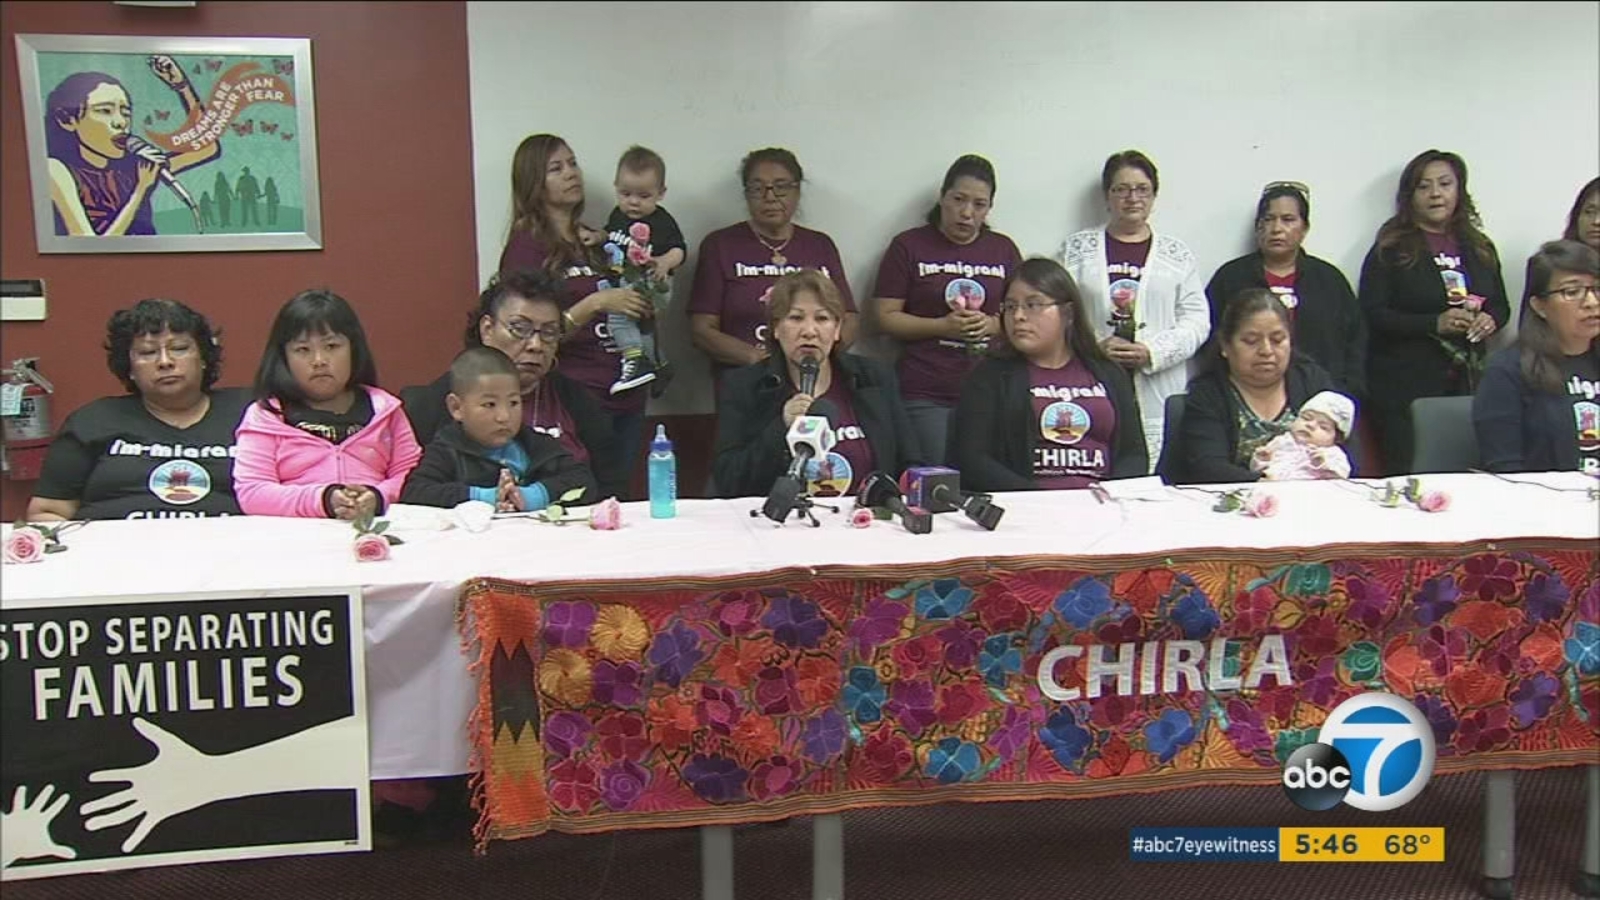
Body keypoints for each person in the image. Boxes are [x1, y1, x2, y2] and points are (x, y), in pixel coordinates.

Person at [498, 134, 652, 476]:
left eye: (572, 163)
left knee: (619, 493)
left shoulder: (594, 239)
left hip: (626, 387)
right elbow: (523, 334)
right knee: (580, 489)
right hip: (577, 392)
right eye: (556, 168)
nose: (571, 173)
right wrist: (594, 303)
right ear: (534, 183)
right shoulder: (527, 246)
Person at [401, 269, 628, 500]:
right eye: (520, 328)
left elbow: (608, 488)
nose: (536, 345)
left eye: (549, 332)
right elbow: (414, 492)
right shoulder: (429, 406)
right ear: (487, 329)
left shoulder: (577, 401)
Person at [26, 299, 249, 521]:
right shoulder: (92, 421)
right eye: (147, 352)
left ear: (203, 358)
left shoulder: (252, 413)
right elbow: (47, 511)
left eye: (179, 349)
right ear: (129, 368)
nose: (165, 362)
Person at [1359, 149, 1509, 476]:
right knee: (1410, 474)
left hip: (1467, 381)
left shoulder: (1479, 246)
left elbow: (1501, 305)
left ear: (1459, 190)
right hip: (1405, 385)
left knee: (1467, 472)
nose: (1436, 194)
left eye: (1445, 184)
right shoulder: (1391, 247)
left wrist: (1491, 320)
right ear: (1409, 196)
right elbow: (1373, 313)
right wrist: (1434, 323)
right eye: (1424, 186)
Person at [1058, 149, 1209, 470]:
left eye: (1142, 189)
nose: (1132, 198)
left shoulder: (1176, 254)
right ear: (1107, 196)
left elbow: (1197, 320)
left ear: (1154, 196)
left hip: (1158, 385)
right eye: (1121, 189)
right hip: (1091, 376)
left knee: (1153, 475)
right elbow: (1057, 311)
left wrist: (1151, 351)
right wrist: (1093, 348)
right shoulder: (1076, 249)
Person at [711, 270, 919, 499]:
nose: (809, 331)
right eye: (796, 318)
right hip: (784, 517)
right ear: (776, 328)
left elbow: (911, 463)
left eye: (822, 319)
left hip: (866, 515)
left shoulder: (874, 378)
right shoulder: (744, 385)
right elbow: (728, 480)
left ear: (837, 329)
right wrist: (781, 427)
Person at [873, 154, 1021, 465]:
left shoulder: (1003, 249)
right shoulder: (909, 245)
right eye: (958, 199)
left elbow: (1022, 314)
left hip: (990, 389)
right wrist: (942, 326)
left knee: (986, 477)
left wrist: (993, 325)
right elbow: (884, 317)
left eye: (979, 204)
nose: (966, 213)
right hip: (925, 390)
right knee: (937, 479)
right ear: (942, 197)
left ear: (989, 208)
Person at [950, 258, 1147, 491]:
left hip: (1103, 503)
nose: (1018, 316)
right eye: (1010, 307)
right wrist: (1041, 499)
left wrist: (1111, 495)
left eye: (1033, 305)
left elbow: (1134, 454)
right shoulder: (990, 375)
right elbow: (973, 461)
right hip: (1025, 503)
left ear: (1068, 313)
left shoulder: (1108, 372)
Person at [233, 289, 421, 518]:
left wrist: (379, 497)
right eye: (303, 350)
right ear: (284, 358)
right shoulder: (265, 415)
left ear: (353, 349)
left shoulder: (386, 410)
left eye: (331, 346)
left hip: (375, 528)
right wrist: (323, 500)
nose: (319, 361)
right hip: (293, 533)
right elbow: (252, 493)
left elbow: (413, 477)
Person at [691, 148, 859, 384]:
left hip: (814, 376)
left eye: (781, 187)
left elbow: (849, 317)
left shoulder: (820, 245)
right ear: (746, 194)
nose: (770, 197)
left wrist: (818, 357)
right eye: (758, 188)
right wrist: (759, 360)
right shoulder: (720, 245)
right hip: (747, 380)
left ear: (797, 191)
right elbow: (702, 330)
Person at [1204, 182, 1366, 398]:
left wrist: (1345, 393)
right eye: (1268, 219)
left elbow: (1355, 341)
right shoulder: (1231, 277)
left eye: (1288, 219)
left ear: (1304, 228)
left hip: (1320, 397)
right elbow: (1210, 338)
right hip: (1244, 397)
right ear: (1258, 227)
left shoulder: (1329, 280)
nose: (1277, 228)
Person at [1178, 289, 1345, 484]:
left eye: (1277, 340)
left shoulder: (1312, 380)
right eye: (1251, 341)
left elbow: (1347, 447)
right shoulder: (1208, 394)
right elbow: (1208, 468)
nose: (1266, 351)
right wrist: (1268, 484)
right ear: (1225, 346)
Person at [400, 347, 597, 509]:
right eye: (490, 405)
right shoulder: (445, 450)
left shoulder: (533, 444)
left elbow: (583, 481)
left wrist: (532, 496)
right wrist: (482, 497)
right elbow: (416, 493)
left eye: (513, 403)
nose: (504, 416)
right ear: (456, 408)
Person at [44, 57, 219, 236]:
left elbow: (206, 147)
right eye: (105, 111)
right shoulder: (56, 170)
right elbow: (92, 245)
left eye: (126, 113)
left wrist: (182, 86)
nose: (121, 123)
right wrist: (141, 190)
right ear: (68, 120)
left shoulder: (136, 167)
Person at [1475, 240, 1600, 475]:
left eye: (1597, 289)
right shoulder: (1507, 371)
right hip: (1546, 495)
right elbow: (1505, 468)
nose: (1592, 302)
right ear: (1539, 306)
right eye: (1572, 292)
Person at [596, 145, 688, 396]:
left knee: (619, 317)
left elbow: (680, 249)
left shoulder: (661, 221)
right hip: (625, 278)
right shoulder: (618, 214)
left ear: (661, 193)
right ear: (616, 187)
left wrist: (665, 262)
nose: (633, 202)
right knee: (640, 327)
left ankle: (635, 361)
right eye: (625, 193)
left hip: (653, 281)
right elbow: (611, 234)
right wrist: (597, 236)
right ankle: (660, 365)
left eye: (644, 196)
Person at [1249, 390, 1356, 481]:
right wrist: (1262, 459)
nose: (1310, 425)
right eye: (1306, 418)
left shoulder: (1332, 453)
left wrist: (1323, 463)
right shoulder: (1280, 442)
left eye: (1323, 427)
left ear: (1335, 439)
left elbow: (1341, 476)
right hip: (1275, 490)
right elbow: (1257, 470)